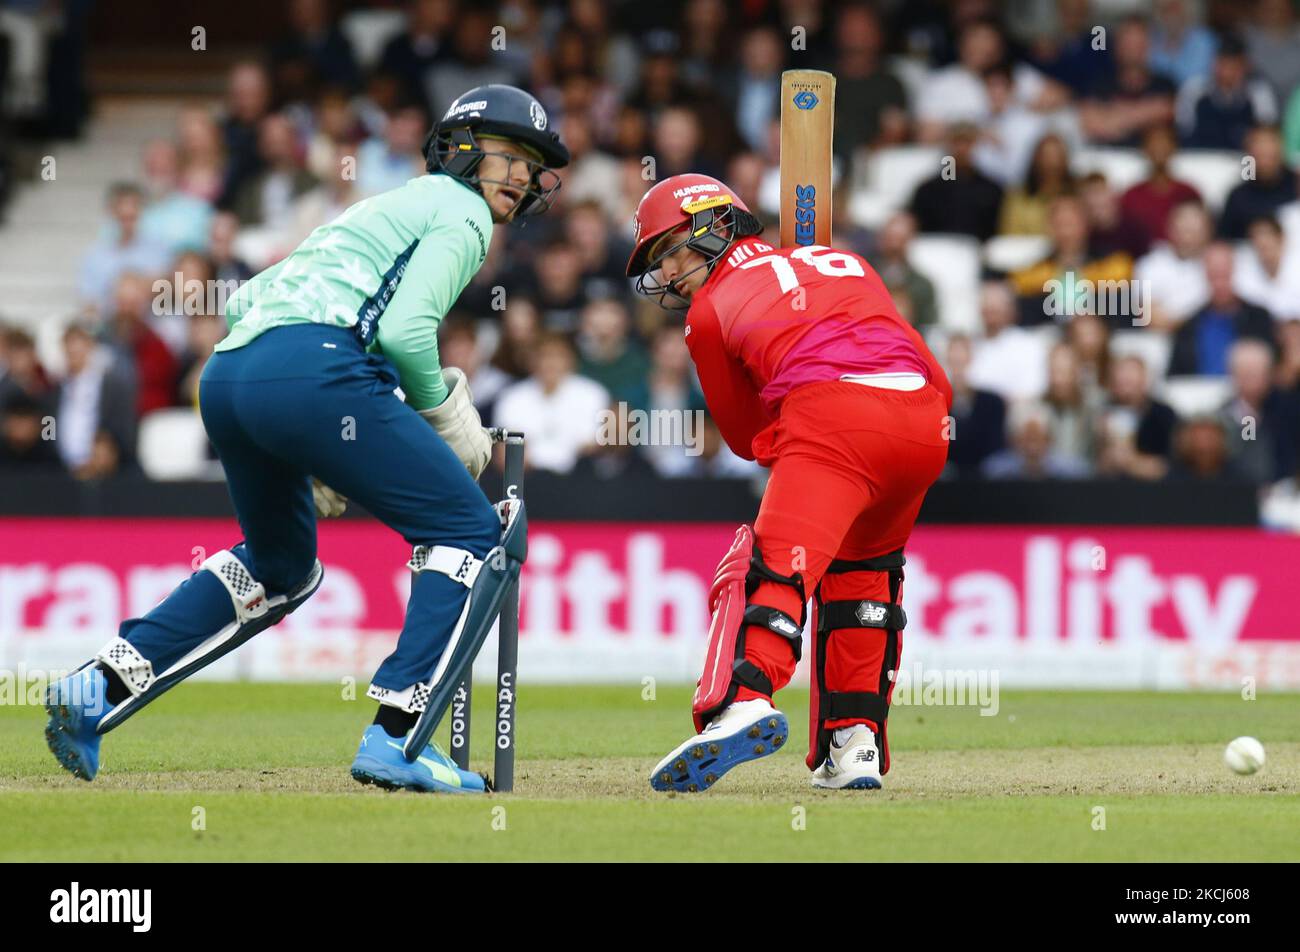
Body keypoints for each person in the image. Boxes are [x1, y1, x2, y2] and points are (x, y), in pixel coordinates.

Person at [43, 85, 569, 796]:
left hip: (230, 376)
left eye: (533, 166)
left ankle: (96, 687)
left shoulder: (381, 205)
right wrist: (444, 412)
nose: (523, 179)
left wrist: (318, 440)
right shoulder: (465, 210)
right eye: (512, 158)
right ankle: (396, 739)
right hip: (317, 374)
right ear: (466, 151)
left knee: (280, 567)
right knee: (473, 534)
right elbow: (404, 329)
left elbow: (248, 300)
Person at [627, 173, 952, 792]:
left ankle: (742, 699)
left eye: (671, 251)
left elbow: (746, 438)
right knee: (866, 581)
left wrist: (800, 427)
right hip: (925, 425)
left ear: (713, 225)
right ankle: (853, 743)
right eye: (658, 261)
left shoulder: (706, 313)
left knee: (772, 567)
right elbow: (932, 370)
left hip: (833, 421)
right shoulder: (846, 261)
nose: (667, 273)